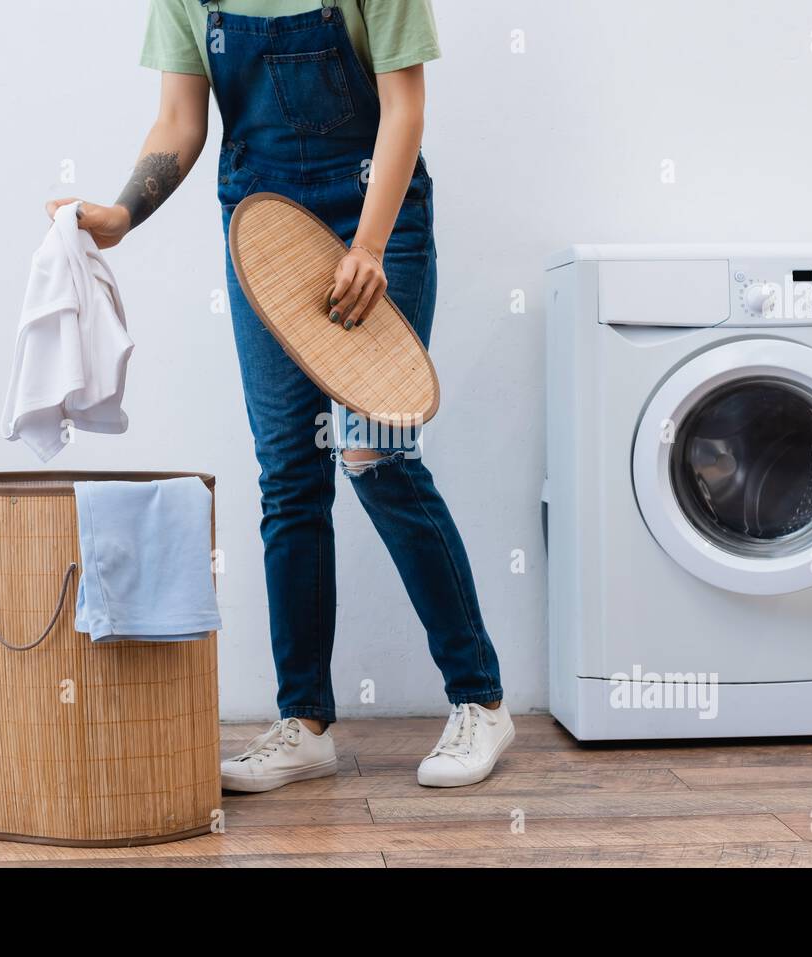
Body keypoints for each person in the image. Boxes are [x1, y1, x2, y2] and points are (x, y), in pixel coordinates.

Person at [47, 0, 511, 792]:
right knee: (291, 473)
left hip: (376, 215)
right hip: (263, 227)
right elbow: (179, 120)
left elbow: (404, 106)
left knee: (377, 457)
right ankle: (306, 723)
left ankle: (481, 699)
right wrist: (123, 213)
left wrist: (369, 245)